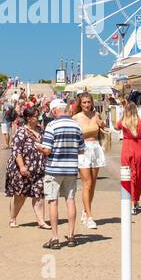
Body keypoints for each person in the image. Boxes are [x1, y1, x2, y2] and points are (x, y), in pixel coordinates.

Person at [39, 99, 84, 249]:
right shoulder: (76, 126)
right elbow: (81, 149)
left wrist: (38, 147)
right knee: (70, 200)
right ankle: (71, 236)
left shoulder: (52, 125)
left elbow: (47, 150)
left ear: (55, 111)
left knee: (53, 201)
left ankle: (55, 237)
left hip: (54, 168)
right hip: (71, 168)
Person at [6, 107, 47, 228]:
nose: (39, 118)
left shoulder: (40, 130)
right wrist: (22, 167)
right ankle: (13, 218)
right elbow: (16, 151)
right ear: (28, 118)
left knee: (39, 194)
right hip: (22, 168)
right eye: (36, 116)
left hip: (39, 168)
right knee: (20, 195)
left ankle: (41, 221)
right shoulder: (21, 132)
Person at [73, 92, 107, 230]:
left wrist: (102, 123)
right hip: (83, 150)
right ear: (80, 104)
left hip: (95, 149)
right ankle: (89, 217)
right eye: (84, 102)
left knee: (92, 183)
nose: (87, 105)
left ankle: (86, 211)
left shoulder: (96, 115)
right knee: (86, 183)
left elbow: (104, 128)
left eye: (89, 102)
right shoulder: (75, 118)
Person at [115, 100, 141, 212]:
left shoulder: (124, 122)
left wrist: (123, 115)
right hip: (139, 149)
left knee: (127, 175)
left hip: (126, 149)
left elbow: (116, 126)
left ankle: (129, 201)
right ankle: (135, 201)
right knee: (138, 176)